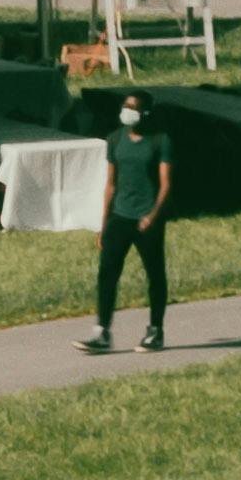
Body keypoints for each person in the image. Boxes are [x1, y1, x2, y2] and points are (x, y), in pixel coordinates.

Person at [87, 94, 174, 352]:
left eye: (134, 108)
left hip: (147, 219)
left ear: (146, 113)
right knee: (107, 273)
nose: (128, 111)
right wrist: (103, 224)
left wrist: (153, 215)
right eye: (126, 106)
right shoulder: (114, 139)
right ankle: (102, 332)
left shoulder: (160, 140)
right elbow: (110, 184)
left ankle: (155, 331)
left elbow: (166, 184)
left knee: (155, 274)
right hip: (120, 217)